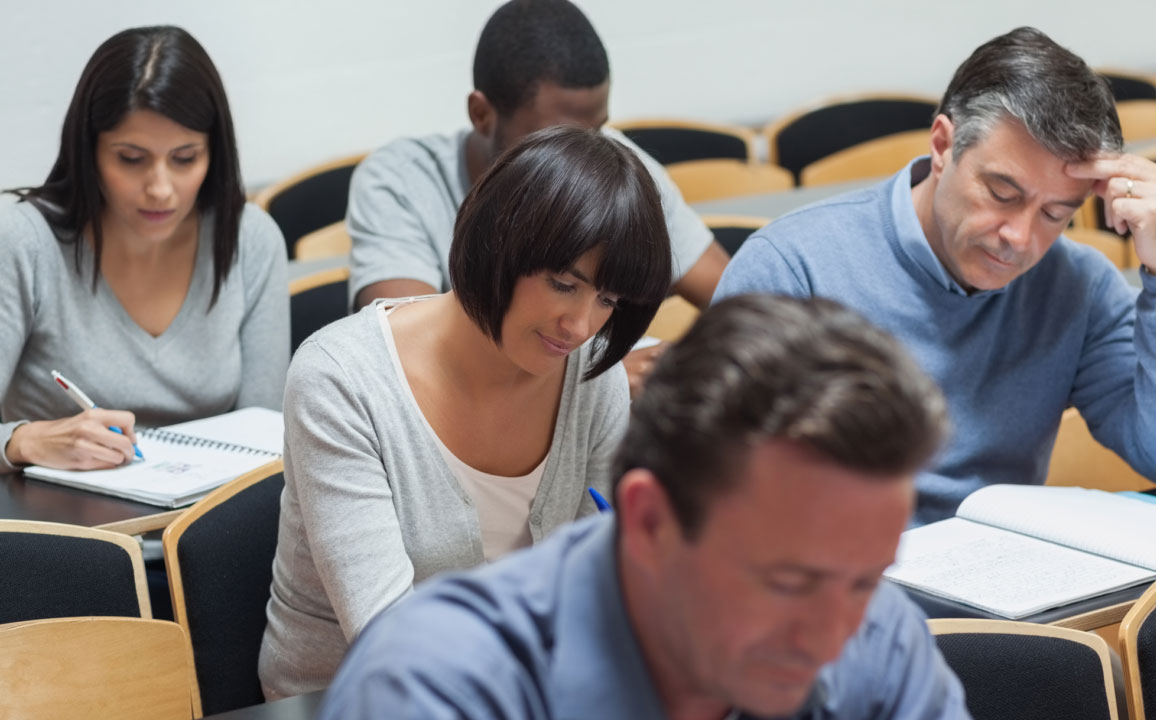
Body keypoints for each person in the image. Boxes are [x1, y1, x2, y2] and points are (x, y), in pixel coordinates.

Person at [317, 294, 967, 720]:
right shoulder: (436, 688)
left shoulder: (877, 637)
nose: (830, 638)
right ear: (652, 522)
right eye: (787, 583)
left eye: (864, 580)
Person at [713, 27, 1156, 524]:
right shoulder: (792, 269)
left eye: (1056, 214)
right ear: (943, 146)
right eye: (1003, 193)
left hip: (1007, 598)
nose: (1021, 238)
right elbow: (725, 491)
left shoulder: (1077, 284)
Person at [259, 126, 672, 699]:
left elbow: (609, 589)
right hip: (349, 699)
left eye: (607, 300)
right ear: (497, 243)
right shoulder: (341, 379)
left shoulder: (592, 374)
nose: (579, 327)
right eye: (562, 284)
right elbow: (390, 640)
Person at [346, 0, 729, 392]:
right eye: (553, 137)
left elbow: (737, 296)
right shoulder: (399, 181)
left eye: (597, 130)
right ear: (482, 114)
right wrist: (600, 381)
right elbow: (411, 349)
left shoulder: (619, 166)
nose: (583, 152)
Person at [0, 26, 289, 473]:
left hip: (207, 527)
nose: (160, 189)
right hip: (64, 532)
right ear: (89, 150)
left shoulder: (250, 239)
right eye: (131, 159)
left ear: (214, 154)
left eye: (185, 158)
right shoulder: (23, 242)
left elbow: (268, 442)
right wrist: (24, 440)